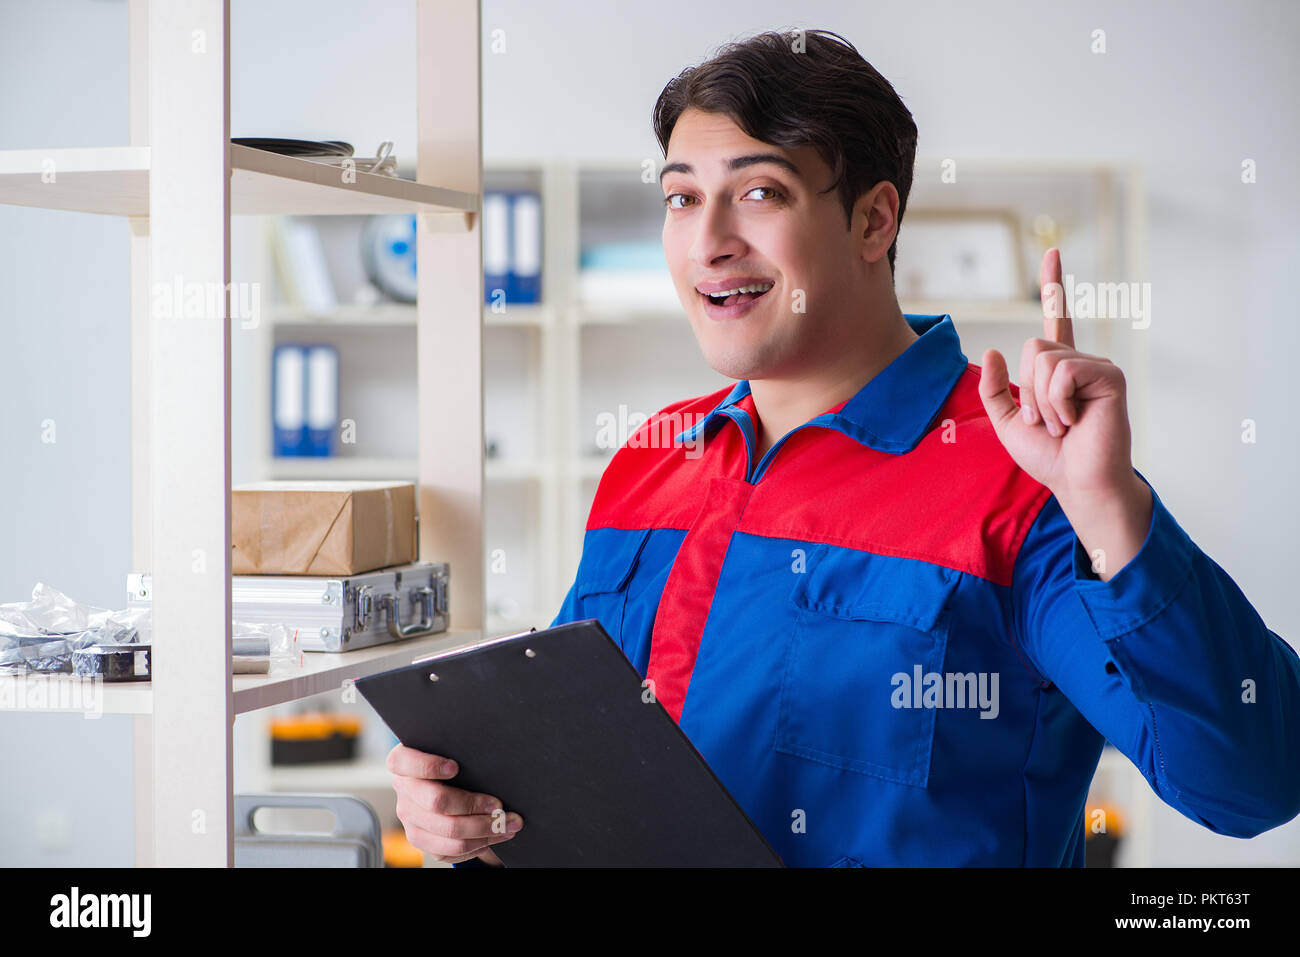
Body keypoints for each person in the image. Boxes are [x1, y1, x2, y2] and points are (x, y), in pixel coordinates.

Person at [389, 28, 1300, 867]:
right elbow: (577, 768)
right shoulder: (650, 461)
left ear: (874, 220)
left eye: (759, 192)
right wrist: (466, 810)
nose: (707, 242)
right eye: (680, 198)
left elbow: (1248, 783)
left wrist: (1110, 510)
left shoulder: (1029, 485)